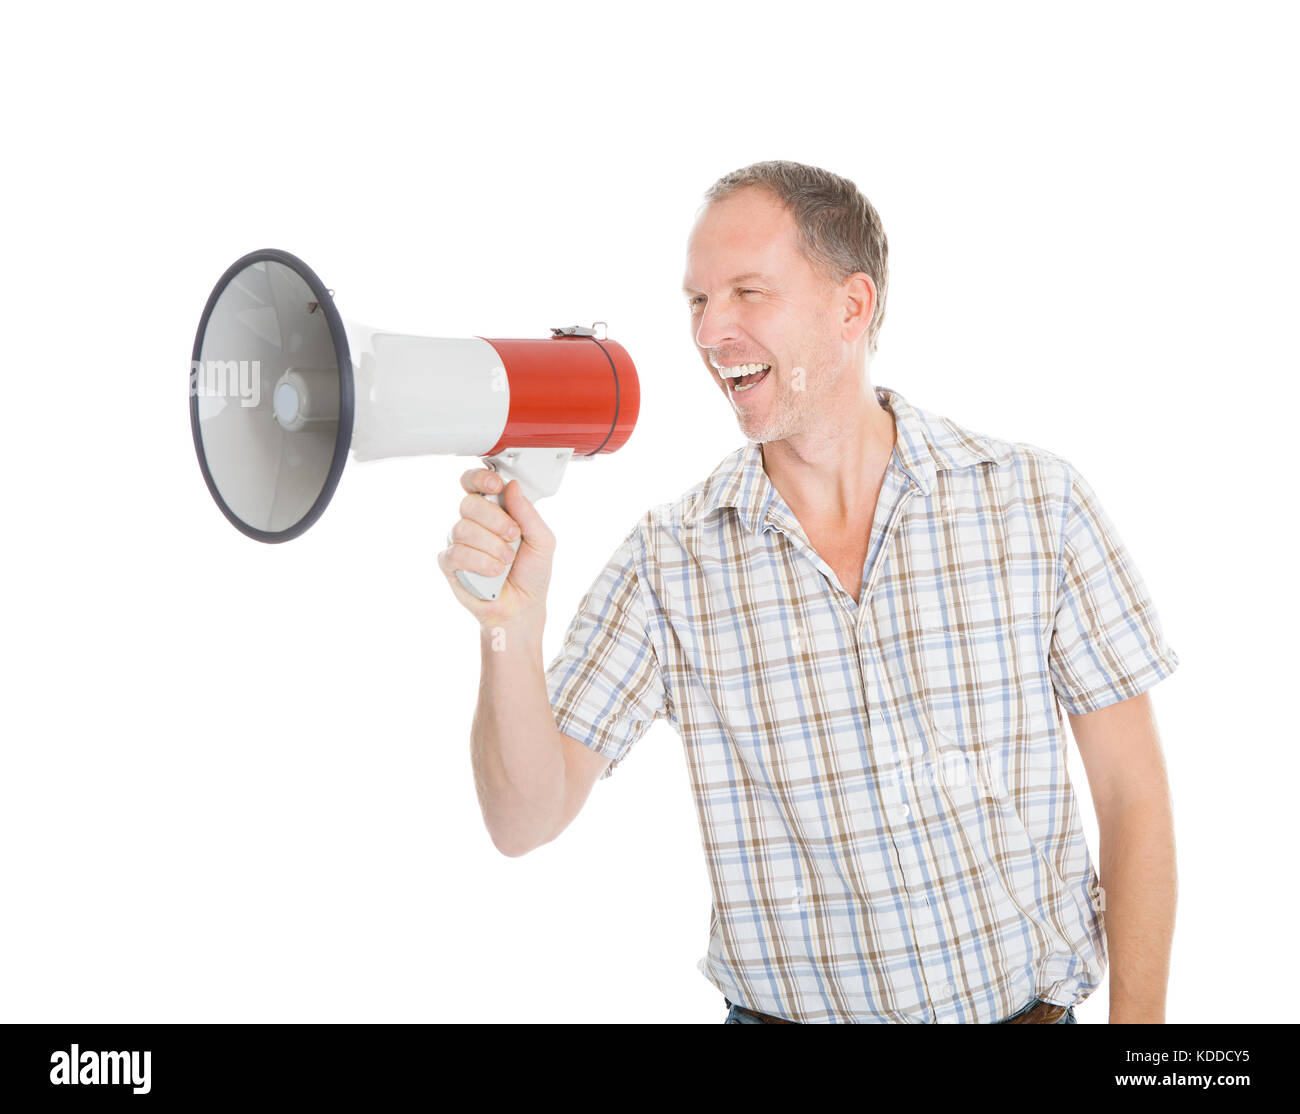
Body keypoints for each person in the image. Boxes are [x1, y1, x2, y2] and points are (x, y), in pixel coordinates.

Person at [438, 160, 1179, 1025]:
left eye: (748, 293)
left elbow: (1133, 794)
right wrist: (510, 631)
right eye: (697, 302)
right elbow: (523, 817)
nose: (712, 332)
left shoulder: (1035, 502)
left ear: (851, 307)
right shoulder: (670, 559)